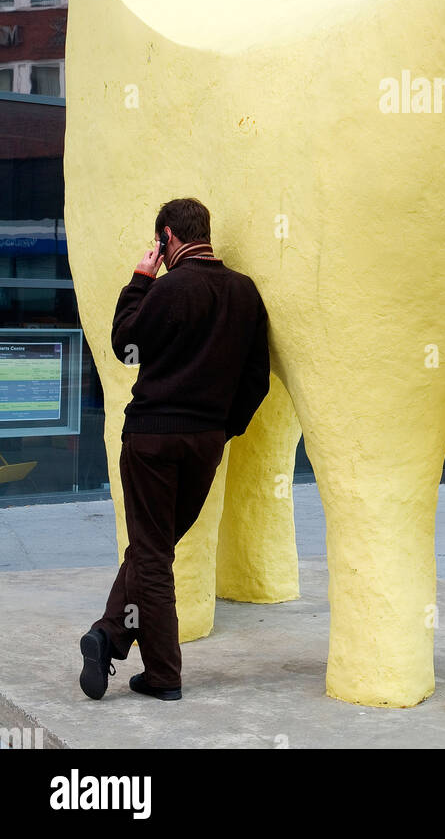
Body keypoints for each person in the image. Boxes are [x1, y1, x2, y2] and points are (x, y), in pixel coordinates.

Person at [79, 197, 271, 702]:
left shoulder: (167, 289)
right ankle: (108, 636)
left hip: (152, 439)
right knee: (153, 549)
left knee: (152, 555)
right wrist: (222, 429)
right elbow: (256, 381)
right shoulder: (245, 294)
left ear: (167, 237)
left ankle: (163, 674)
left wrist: (140, 280)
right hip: (205, 443)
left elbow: (126, 346)